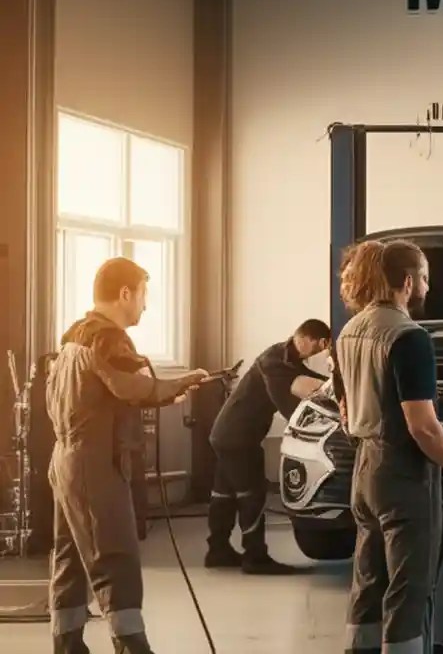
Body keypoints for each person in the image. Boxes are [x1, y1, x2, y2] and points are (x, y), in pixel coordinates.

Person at [334, 238, 443, 654]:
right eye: (424, 277)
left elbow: (345, 412)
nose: (427, 286)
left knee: (368, 582)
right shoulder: (409, 337)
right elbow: (423, 427)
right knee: (409, 591)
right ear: (407, 282)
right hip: (404, 475)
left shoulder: (349, 332)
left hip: (364, 473)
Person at [46, 257, 208, 653]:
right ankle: (133, 648)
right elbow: (129, 386)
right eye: (142, 296)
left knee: (70, 559)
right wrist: (181, 384)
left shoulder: (73, 335)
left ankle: (67, 645)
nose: (145, 306)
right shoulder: (107, 337)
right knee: (114, 559)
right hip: (95, 464)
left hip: (64, 459)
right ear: (124, 294)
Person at [205, 318, 332, 574]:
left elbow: (304, 378)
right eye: (318, 348)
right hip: (239, 437)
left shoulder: (284, 359)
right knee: (252, 493)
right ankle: (256, 557)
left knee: (224, 493)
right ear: (306, 339)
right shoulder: (274, 360)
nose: (317, 354)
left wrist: (331, 381)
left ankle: (217, 550)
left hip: (226, 433)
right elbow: (289, 395)